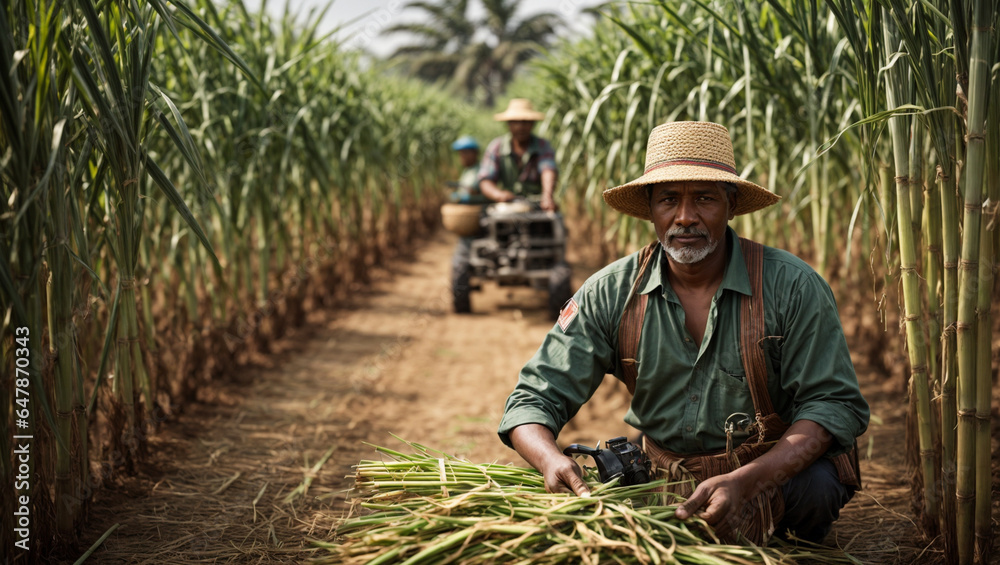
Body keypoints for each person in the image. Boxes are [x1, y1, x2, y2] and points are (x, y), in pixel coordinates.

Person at [497, 121, 869, 545]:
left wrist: (748, 481)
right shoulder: (611, 292)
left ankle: (792, 541)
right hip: (665, 472)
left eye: (705, 199)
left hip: (769, 468)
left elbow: (832, 405)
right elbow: (533, 399)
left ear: (731, 205)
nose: (685, 217)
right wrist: (548, 459)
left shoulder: (792, 286)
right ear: (650, 208)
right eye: (669, 200)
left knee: (816, 491)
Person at [478, 99, 559, 212]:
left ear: (532, 124)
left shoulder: (542, 146)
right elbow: (485, 180)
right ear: (508, 124)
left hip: (536, 205)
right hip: (507, 205)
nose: (520, 127)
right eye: (515, 122)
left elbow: (548, 170)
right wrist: (498, 195)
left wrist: (547, 196)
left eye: (525, 122)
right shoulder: (496, 147)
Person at [448, 135, 489, 314]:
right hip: (472, 218)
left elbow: (475, 192)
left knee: (463, 253)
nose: (462, 157)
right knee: (461, 257)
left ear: (474, 153)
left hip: (480, 219)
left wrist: (463, 196)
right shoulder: (468, 172)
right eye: (461, 153)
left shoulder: (479, 172)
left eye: (465, 153)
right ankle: (462, 294)